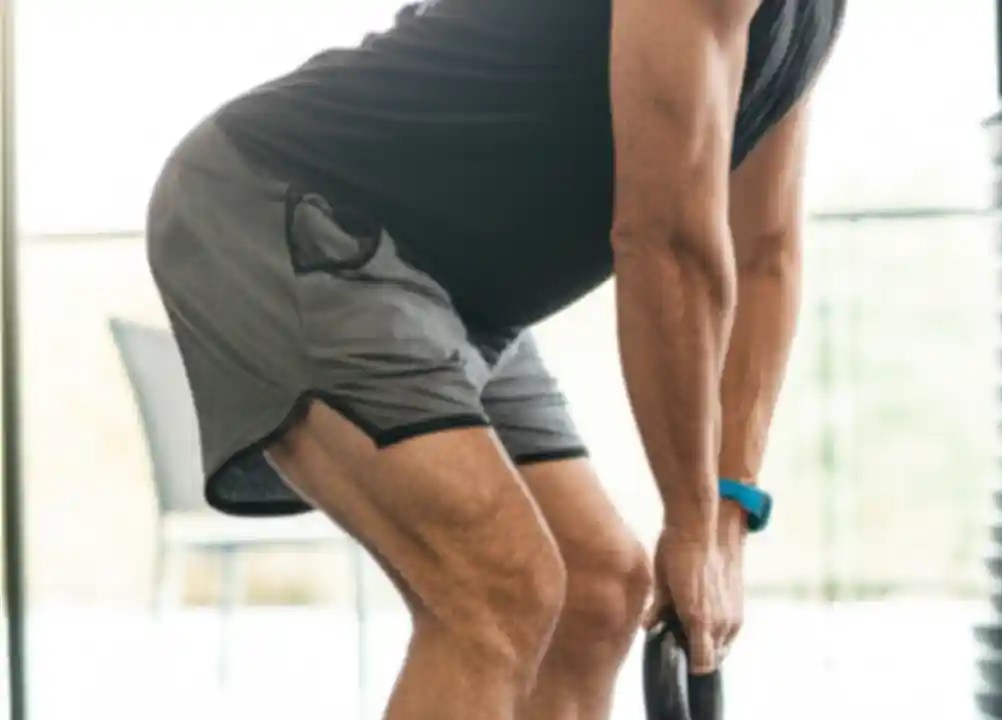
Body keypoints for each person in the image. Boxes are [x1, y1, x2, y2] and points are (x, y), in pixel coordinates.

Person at [146, 0, 845, 717]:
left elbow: (767, 253)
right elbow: (668, 241)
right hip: (296, 204)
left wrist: (727, 511)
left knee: (596, 590)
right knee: (499, 588)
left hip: (462, 289)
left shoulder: (813, 16)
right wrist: (691, 523)